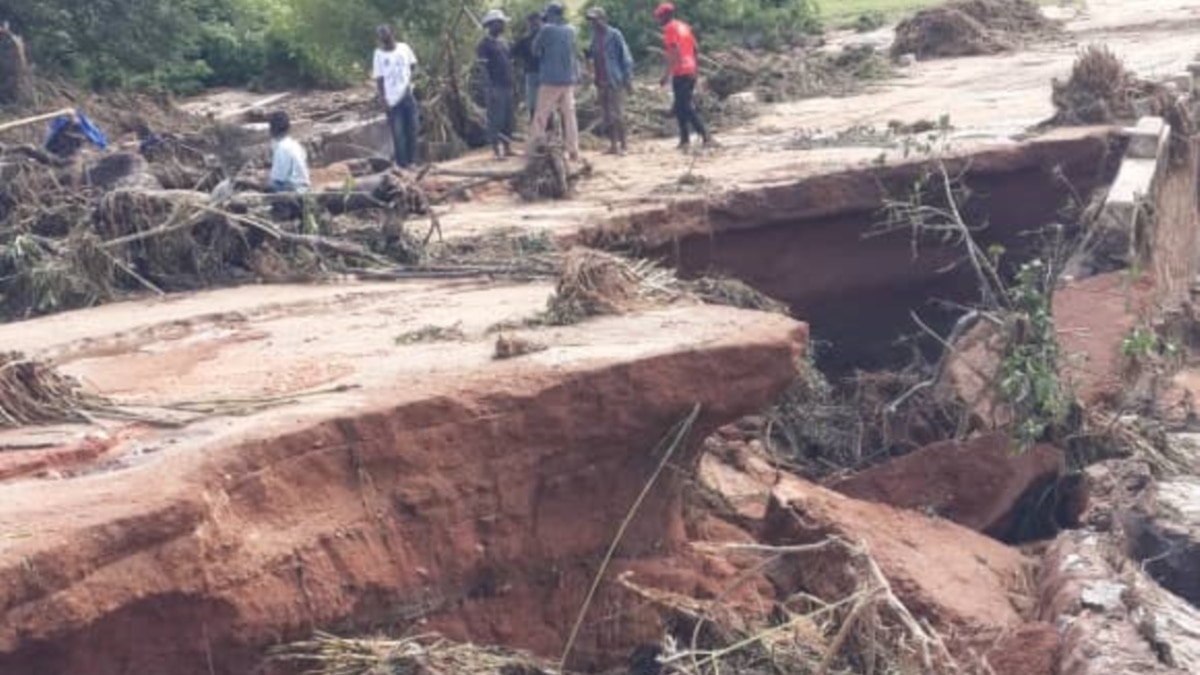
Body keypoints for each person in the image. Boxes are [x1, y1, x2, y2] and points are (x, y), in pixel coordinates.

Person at [654, 3, 710, 149]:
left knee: (685, 106)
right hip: (690, 70)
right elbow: (695, 48)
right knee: (680, 106)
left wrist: (666, 75)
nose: (658, 19)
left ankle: (705, 136)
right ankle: (684, 140)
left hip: (681, 72)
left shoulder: (670, 29)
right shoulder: (683, 26)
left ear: (666, 16)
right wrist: (695, 67)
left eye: (659, 17)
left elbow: (674, 52)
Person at [530, 2, 580, 160]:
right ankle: (573, 149)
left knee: (541, 113)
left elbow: (534, 49)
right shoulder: (571, 30)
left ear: (551, 15)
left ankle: (537, 145)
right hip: (567, 78)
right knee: (569, 115)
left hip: (550, 78)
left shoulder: (546, 29)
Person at [584, 7, 634, 155]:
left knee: (617, 113)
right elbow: (591, 54)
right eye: (592, 20)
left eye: (596, 19)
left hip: (614, 79)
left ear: (603, 19)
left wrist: (628, 78)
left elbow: (626, 57)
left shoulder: (615, 34)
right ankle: (613, 145)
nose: (594, 23)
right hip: (600, 80)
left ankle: (623, 144)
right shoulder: (594, 36)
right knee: (606, 115)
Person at [373, 25, 420, 168]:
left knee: (413, 128)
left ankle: (412, 162)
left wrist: (410, 81)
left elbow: (414, 66)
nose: (384, 37)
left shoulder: (404, 48)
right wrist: (383, 99)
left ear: (392, 33)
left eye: (385, 33)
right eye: (381, 35)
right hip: (392, 101)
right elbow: (379, 79)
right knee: (398, 134)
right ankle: (403, 164)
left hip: (407, 95)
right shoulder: (378, 54)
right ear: (379, 38)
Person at [478, 9, 515, 159]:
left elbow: (509, 64)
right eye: (501, 23)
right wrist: (490, 87)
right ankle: (497, 149)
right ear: (493, 25)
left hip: (507, 86)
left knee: (508, 118)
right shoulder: (484, 44)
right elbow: (483, 68)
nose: (503, 26)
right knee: (496, 119)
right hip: (495, 86)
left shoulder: (503, 43)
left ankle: (507, 147)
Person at [511, 12, 544, 122]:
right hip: (531, 73)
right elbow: (513, 52)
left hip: (546, 73)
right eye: (531, 22)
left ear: (540, 21)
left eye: (536, 21)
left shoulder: (547, 37)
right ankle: (535, 126)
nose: (534, 24)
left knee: (546, 101)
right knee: (532, 101)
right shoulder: (525, 39)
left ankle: (548, 128)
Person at [267, 111, 310, 193]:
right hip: (303, 186)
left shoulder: (281, 148)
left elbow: (279, 178)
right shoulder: (295, 145)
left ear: (272, 130)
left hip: (294, 188)